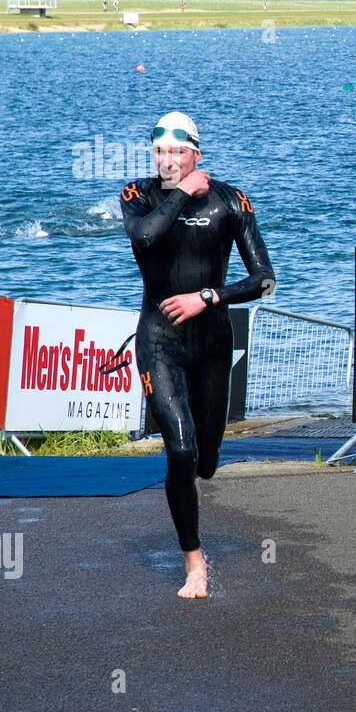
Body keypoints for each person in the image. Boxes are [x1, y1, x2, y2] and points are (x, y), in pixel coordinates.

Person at [120, 112, 276, 599]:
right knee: (180, 450)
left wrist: (208, 297)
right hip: (158, 341)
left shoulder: (231, 200)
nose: (168, 161)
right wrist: (184, 192)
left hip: (211, 343)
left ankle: (194, 486)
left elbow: (264, 278)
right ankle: (194, 563)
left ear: (196, 153)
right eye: (160, 153)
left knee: (205, 462)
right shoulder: (137, 195)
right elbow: (144, 238)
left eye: (178, 153)